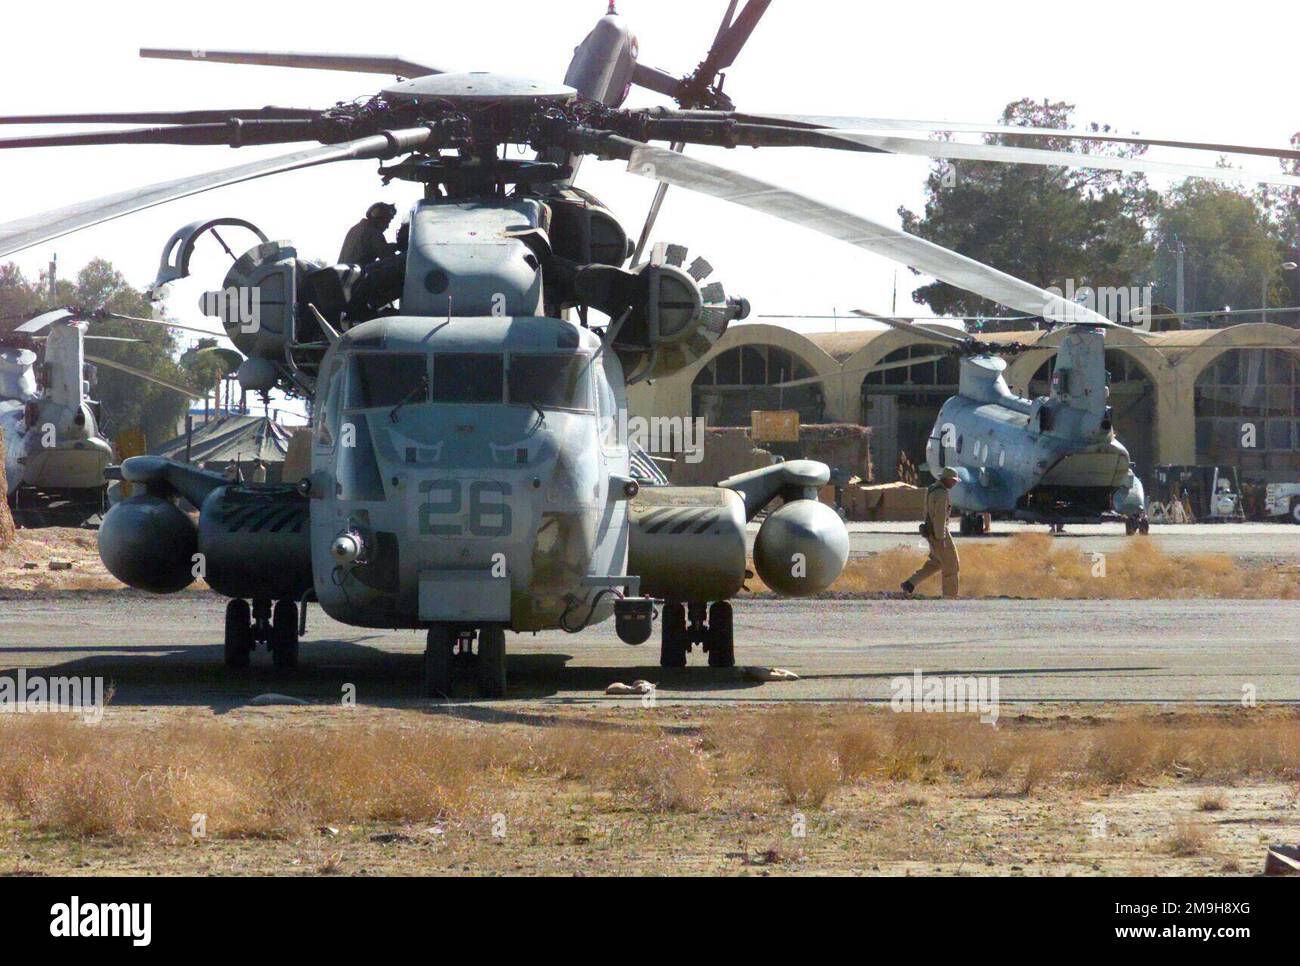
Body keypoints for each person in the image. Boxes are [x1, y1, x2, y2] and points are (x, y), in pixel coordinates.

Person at [901, 466, 961, 598]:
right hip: (939, 532)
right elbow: (939, 516)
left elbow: (928, 513)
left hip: (930, 531)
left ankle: (910, 583)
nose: (955, 483)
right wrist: (941, 538)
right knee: (952, 565)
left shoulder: (932, 489)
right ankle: (950, 595)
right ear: (947, 480)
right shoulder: (942, 493)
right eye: (954, 481)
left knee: (936, 562)